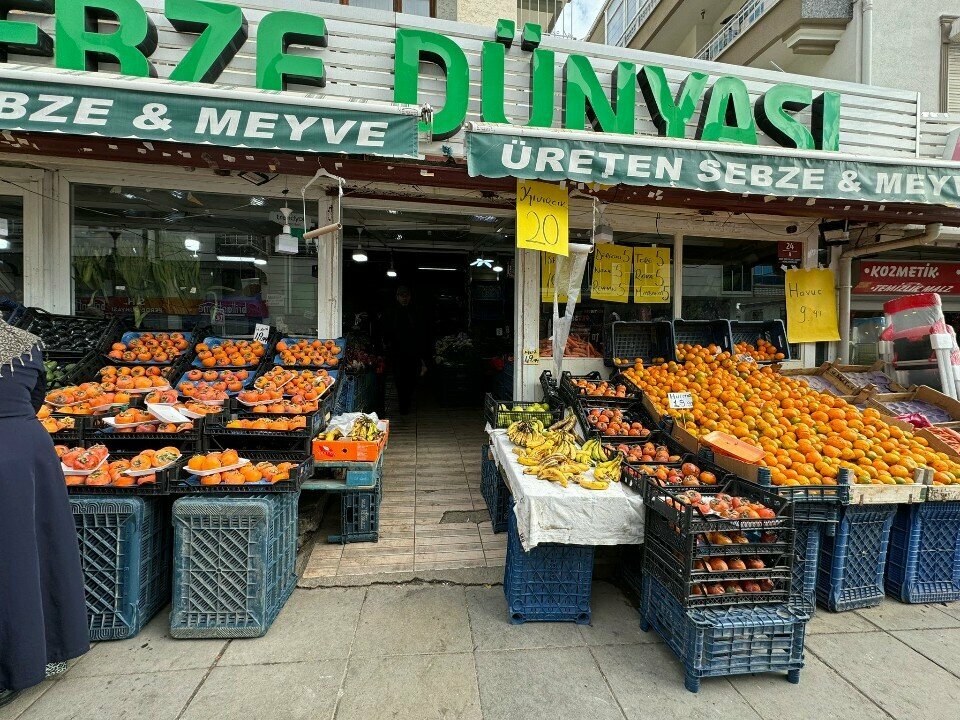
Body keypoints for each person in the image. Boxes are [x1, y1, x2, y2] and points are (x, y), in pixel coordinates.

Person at [0, 320, 90, 707]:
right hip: (28, 451)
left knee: (9, 560)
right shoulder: (26, 344)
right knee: (37, 548)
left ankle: (13, 665)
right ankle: (49, 647)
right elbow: (35, 400)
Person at [380, 286, 429, 415]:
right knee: (400, 379)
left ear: (410, 297)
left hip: (413, 352)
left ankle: (407, 401)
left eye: (406, 295)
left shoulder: (415, 312)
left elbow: (421, 332)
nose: (404, 298)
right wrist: (388, 345)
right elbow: (386, 331)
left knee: (412, 378)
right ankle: (403, 406)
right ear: (397, 297)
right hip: (397, 352)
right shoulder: (391, 312)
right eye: (402, 296)